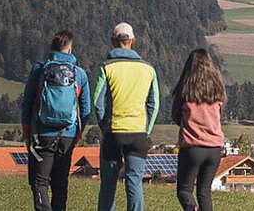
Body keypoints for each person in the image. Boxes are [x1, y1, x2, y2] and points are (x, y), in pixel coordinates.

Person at [21, 30, 91, 211]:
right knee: (60, 183)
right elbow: (86, 109)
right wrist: (78, 133)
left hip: (42, 133)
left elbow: (27, 103)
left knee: (40, 181)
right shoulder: (79, 74)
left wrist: (27, 133)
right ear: (70, 50)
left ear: (52, 48)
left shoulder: (39, 70)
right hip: (67, 134)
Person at [92, 22, 160, 211]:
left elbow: (97, 102)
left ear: (113, 41)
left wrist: (103, 124)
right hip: (138, 132)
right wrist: (147, 129)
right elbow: (154, 105)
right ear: (132, 41)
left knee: (108, 185)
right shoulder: (148, 69)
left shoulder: (106, 67)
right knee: (134, 183)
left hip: (113, 132)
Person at [171, 49, 227, 211]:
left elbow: (175, 116)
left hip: (192, 147)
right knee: (204, 192)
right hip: (214, 148)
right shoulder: (217, 91)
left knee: (184, 190)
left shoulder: (185, 91)